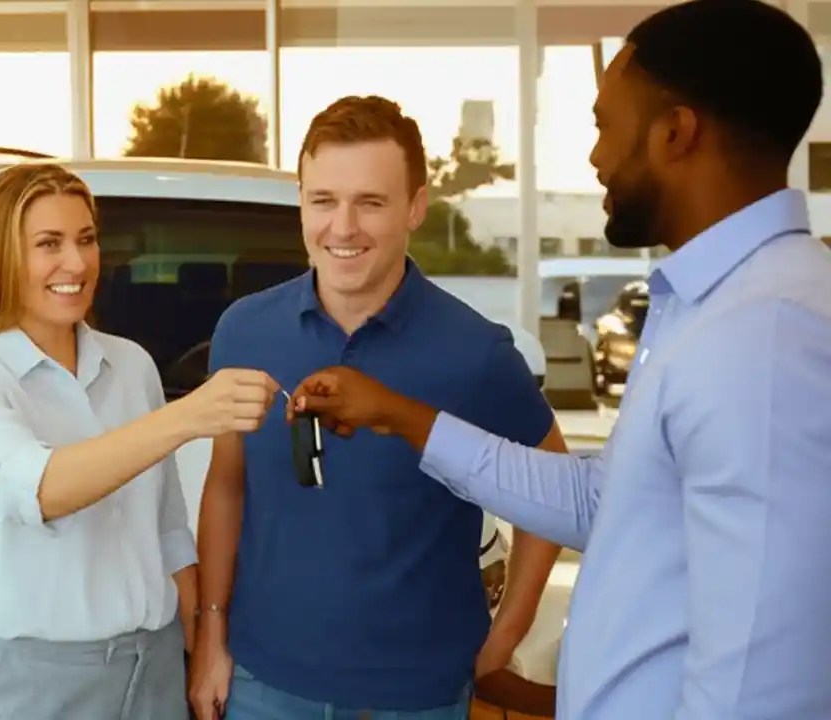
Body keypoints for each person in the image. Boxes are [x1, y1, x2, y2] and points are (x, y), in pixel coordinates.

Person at [287, 1, 831, 718]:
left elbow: (762, 682)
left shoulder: (767, 334)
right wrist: (403, 418)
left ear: (675, 133)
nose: (595, 156)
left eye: (606, 124)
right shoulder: (708, 304)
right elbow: (598, 501)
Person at [189, 95, 570, 720]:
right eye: (324, 201)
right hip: (265, 683)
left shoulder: (474, 351)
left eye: (370, 202)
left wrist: (504, 637)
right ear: (301, 201)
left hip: (417, 696)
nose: (343, 228)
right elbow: (227, 485)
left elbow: (553, 496)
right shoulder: (244, 331)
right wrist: (211, 633)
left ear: (415, 206)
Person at [0, 162, 279, 719]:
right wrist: (188, 416)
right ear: (0, 256)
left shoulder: (131, 365)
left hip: (152, 673)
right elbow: (39, 489)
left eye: (86, 240)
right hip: (29, 686)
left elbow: (167, 532)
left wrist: (204, 645)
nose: (77, 262)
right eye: (49, 243)